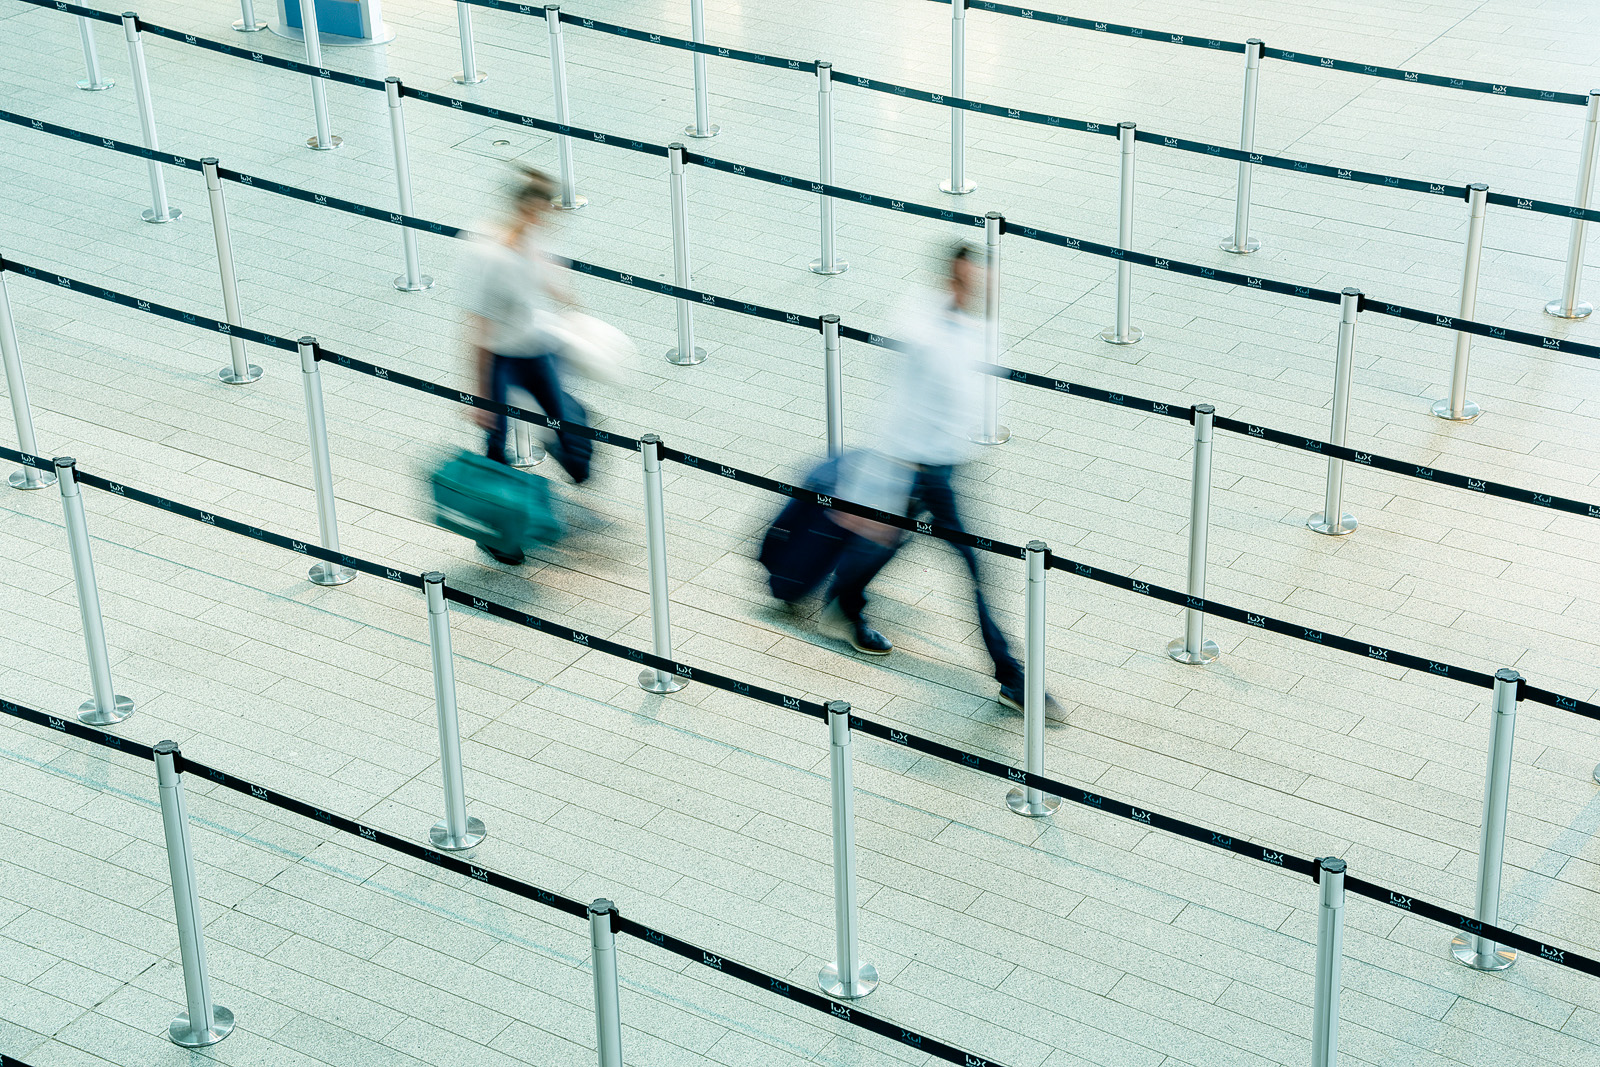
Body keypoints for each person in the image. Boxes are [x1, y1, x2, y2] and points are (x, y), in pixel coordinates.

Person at [825, 242, 1055, 716]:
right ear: (953, 279)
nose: (982, 287)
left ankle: (846, 598)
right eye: (972, 279)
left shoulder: (979, 328)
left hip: (948, 464)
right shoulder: (920, 329)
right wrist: (883, 479)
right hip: (916, 468)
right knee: (973, 567)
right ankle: (1011, 677)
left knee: (895, 542)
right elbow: (897, 404)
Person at [461, 166, 592, 485]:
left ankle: (567, 453)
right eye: (544, 210)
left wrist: (569, 301)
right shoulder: (494, 259)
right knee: (495, 438)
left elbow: (541, 270)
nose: (548, 218)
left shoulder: (529, 236)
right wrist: (479, 398)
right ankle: (497, 513)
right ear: (528, 209)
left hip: (534, 345)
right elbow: (479, 331)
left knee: (572, 439)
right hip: (501, 356)